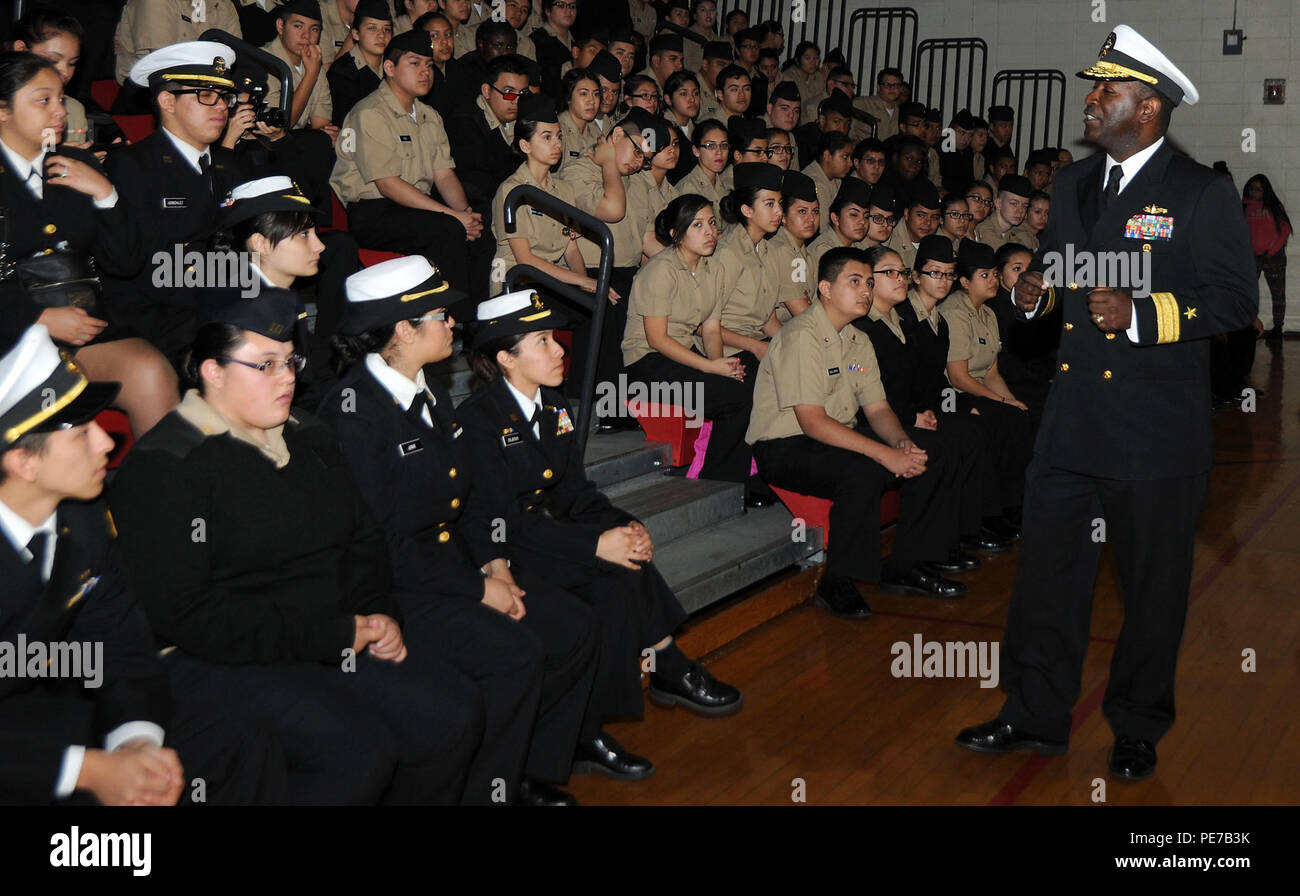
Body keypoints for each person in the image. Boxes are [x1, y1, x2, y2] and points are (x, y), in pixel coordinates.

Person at [957, 25, 1258, 781]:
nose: (1090, 101)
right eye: (1094, 89)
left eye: (1107, 92)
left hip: (1155, 434)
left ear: (1148, 109)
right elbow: (1056, 280)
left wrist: (1145, 313)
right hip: (1072, 425)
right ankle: (1033, 713)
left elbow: (1231, 301)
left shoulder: (1200, 191)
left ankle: (1137, 724)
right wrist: (1030, 299)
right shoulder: (1071, 186)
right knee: (1046, 580)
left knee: (1152, 589)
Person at [110, 287, 485, 804]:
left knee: (453, 711)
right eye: (265, 365)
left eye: (290, 361)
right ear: (211, 371)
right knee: (356, 749)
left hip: (333, 637)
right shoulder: (166, 466)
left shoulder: (310, 435)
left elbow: (364, 540)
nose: (288, 377)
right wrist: (334, 634)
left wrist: (378, 614)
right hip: (227, 658)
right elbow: (190, 613)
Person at [319, 256, 597, 806]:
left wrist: (493, 563)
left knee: (562, 631)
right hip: (391, 587)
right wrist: (478, 590)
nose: (454, 324)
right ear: (403, 328)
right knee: (514, 655)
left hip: (444, 568)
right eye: (441, 315)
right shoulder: (353, 413)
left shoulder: (430, 393)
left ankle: (511, 774)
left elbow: (463, 502)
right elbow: (379, 541)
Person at [460, 288, 744, 777]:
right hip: (496, 554)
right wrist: (595, 544)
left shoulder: (553, 406)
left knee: (624, 561)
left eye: (554, 338)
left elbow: (574, 493)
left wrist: (623, 526)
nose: (559, 350)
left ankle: (602, 717)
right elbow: (500, 523)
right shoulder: (478, 421)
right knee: (607, 572)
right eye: (542, 341)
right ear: (505, 358)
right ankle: (658, 673)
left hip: (536, 536)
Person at [0, 324, 285, 805]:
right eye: (82, 434)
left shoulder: (83, 515)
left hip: (67, 707)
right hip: (24, 755)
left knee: (237, 740)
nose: (107, 445)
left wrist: (135, 742)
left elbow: (122, 643)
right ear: (25, 463)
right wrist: (86, 770)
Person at [747, 246, 966, 619]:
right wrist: (884, 454)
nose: (866, 290)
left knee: (932, 449)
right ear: (825, 289)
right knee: (862, 471)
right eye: (854, 282)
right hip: (783, 446)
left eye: (868, 282)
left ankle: (907, 562)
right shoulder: (802, 336)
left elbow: (878, 409)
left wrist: (903, 444)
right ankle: (837, 580)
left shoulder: (857, 339)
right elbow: (812, 422)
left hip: (832, 437)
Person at [0, 51, 177, 436]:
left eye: (61, 99)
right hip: (9, 334)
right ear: (3, 111)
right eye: (43, 100)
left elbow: (126, 261)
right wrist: (36, 319)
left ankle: (165, 494)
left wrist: (105, 194)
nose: (59, 111)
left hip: (82, 330)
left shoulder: (77, 166)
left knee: (150, 372)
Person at [104, 42, 253, 367]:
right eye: (205, 95)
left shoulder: (226, 166)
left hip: (212, 303)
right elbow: (141, 267)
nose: (221, 107)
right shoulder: (133, 165)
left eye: (224, 97)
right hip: (158, 316)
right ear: (167, 100)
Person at [858, 246, 1009, 566]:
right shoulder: (865, 327)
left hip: (906, 412)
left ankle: (960, 534)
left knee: (973, 429)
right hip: (877, 420)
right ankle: (917, 557)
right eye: (890, 273)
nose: (900, 279)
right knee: (942, 446)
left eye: (901, 272)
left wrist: (957, 405)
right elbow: (872, 395)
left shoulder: (900, 321)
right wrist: (914, 416)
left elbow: (922, 381)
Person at [330, 28, 490, 297]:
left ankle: (477, 322)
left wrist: (466, 215)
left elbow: (445, 175)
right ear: (390, 68)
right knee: (449, 229)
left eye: (428, 65)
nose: (425, 72)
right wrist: (453, 217)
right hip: (373, 211)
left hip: (417, 208)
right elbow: (388, 185)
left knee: (481, 231)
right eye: (414, 63)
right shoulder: (370, 112)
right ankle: (453, 320)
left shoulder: (430, 116)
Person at [622, 193, 754, 484]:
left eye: (711, 223)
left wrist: (721, 364)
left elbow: (710, 328)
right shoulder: (659, 270)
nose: (709, 231)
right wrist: (711, 368)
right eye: (697, 225)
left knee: (754, 374)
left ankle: (742, 472)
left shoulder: (714, 268)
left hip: (684, 356)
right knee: (736, 396)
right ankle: (720, 479)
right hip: (647, 366)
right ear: (675, 234)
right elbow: (656, 339)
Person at [941, 239, 1033, 530]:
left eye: (994, 274)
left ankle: (1014, 504)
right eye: (985, 275)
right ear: (965, 282)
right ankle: (988, 513)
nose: (993, 280)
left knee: (1019, 416)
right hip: (953, 393)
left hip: (979, 389)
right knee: (995, 421)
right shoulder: (955, 311)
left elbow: (992, 372)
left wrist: (1010, 400)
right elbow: (958, 376)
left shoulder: (989, 312)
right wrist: (1000, 402)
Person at [445, 53, 530, 218]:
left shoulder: (525, 120)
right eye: (509, 92)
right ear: (486, 91)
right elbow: (475, 186)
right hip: (482, 210)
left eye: (523, 93)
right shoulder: (464, 123)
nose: (517, 101)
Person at [987, 242, 1059, 429]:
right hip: (1010, 383)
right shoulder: (993, 309)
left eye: (1030, 269)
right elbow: (1007, 362)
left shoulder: (1039, 305)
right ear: (1000, 274)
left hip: (1040, 378)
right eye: (1017, 268)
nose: (1025, 276)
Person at [326, 0, 394, 126]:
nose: (381, 35)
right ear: (356, 34)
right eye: (372, 28)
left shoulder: (395, 68)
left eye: (387, 29)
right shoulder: (342, 73)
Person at [766, 169, 819, 321]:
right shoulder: (780, 249)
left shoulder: (806, 253)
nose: (811, 219)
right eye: (802, 211)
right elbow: (803, 312)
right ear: (783, 216)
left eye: (815, 211)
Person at [1244, 173, 1290, 340]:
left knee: (1278, 294)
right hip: (1252, 257)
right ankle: (1248, 324)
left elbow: (1285, 231)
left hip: (1274, 257)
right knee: (1247, 292)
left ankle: (1278, 328)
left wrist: (1271, 251)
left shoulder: (1274, 206)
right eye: (1252, 189)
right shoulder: (1244, 206)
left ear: (1266, 191)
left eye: (1259, 190)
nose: (1255, 192)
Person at [883, 180, 941, 271]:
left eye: (934, 217)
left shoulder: (939, 243)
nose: (928, 223)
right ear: (906, 214)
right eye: (921, 215)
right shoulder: (888, 242)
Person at [972, 173, 1038, 250]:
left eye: (1024, 206)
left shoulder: (1020, 230)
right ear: (998, 203)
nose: (1020, 211)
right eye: (1014, 203)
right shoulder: (985, 230)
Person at [556, 67, 601, 172]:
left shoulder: (595, 129)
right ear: (568, 97)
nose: (592, 101)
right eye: (584, 94)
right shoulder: (557, 129)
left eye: (596, 94)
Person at [674, 117, 728, 203]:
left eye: (724, 145)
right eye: (710, 146)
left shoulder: (724, 183)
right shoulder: (689, 189)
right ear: (696, 151)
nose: (719, 152)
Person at [857, 67, 904, 141]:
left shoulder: (901, 111)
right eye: (886, 84)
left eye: (896, 85)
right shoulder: (862, 104)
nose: (891, 88)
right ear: (878, 87)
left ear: (901, 89)